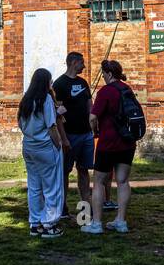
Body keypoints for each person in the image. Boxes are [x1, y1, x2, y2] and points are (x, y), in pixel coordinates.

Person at [83, 59, 134, 235]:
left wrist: (95, 131)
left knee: (98, 182)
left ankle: (96, 224)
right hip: (127, 143)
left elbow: (92, 117)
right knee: (123, 181)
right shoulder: (127, 89)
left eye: (104, 74)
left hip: (108, 143)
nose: (103, 77)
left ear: (109, 74)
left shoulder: (105, 91)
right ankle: (121, 221)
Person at [52, 52, 104, 218]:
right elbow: (57, 113)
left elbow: (90, 106)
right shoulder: (60, 84)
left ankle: (85, 208)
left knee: (84, 170)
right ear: (74, 62)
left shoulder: (83, 83)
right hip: (70, 135)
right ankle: (63, 208)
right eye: (82, 63)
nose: (84, 66)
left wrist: (94, 125)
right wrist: (63, 138)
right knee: (65, 172)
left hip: (86, 134)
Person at [19, 68, 65, 238]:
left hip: (28, 146)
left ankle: (35, 222)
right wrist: (58, 143)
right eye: (50, 81)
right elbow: (51, 125)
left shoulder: (26, 99)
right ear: (45, 82)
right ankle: (49, 224)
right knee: (52, 186)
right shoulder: (45, 99)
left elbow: (20, 123)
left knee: (34, 186)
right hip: (45, 146)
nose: (51, 84)